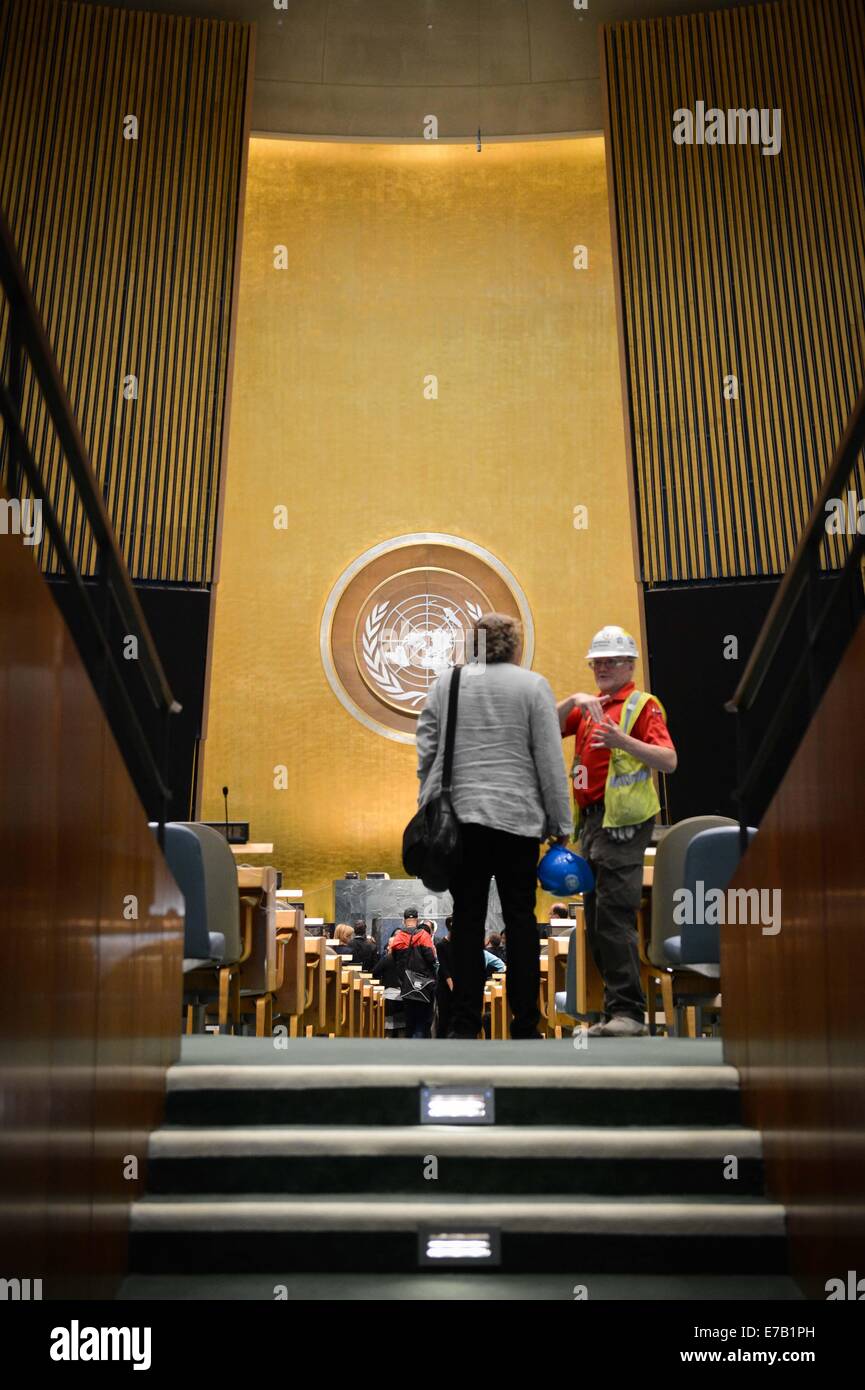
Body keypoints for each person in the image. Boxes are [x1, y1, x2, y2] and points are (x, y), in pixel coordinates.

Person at [416, 611, 572, 1040]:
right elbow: (549, 761)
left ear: (474, 645)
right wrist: (561, 821)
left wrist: (428, 803)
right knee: (521, 918)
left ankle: (464, 1022)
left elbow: (427, 748)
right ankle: (526, 1023)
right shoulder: (532, 687)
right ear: (516, 647)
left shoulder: (447, 684)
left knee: (466, 919)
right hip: (518, 820)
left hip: (461, 820)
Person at [558, 625, 677, 1038]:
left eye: (612, 661)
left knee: (613, 914)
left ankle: (628, 1014)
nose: (603, 667)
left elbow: (668, 761)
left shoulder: (642, 705)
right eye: (598, 662)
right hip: (593, 823)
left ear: (629, 665)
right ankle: (614, 1014)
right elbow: (545, 726)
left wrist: (623, 741)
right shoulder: (591, 705)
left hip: (623, 825)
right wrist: (574, 699)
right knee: (594, 916)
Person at [376, 908, 437, 1038]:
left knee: (409, 1020)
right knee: (422, 1020)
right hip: (423, 986)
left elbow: (393, 959)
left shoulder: (398, 938)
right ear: (417, 920)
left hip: (406, 985)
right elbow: (431, 959)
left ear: (404, 921)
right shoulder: (423, 935)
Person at [434, 917, 455, 1038]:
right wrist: (453, 987)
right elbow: (445, 969)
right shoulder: (441, 945)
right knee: (444, 1019)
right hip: (444, 987)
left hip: (458, 985)